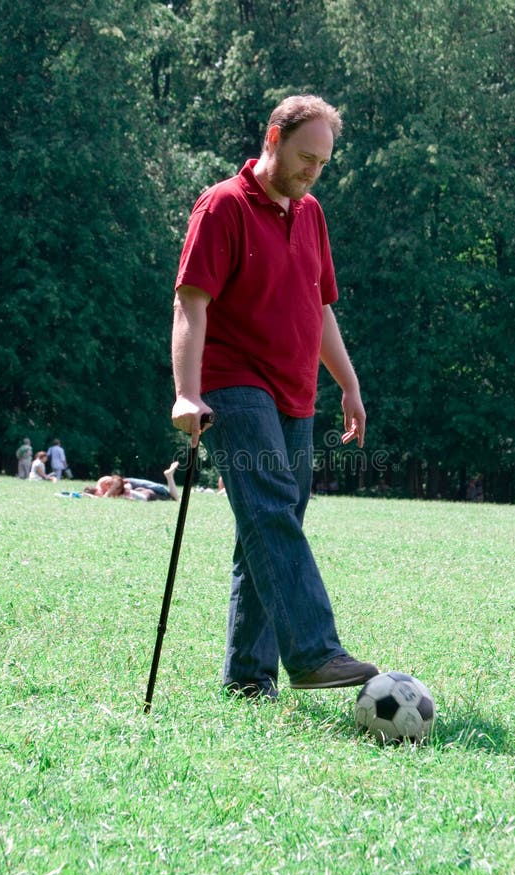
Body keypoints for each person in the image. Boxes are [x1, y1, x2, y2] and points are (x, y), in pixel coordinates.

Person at [171, 94, 379, 698]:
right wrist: (186, 393)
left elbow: (320, 309)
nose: (312, 172)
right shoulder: (223, 206)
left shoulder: (310, 215)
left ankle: (246, 679)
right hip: (233, 383)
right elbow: (190, 301)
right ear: (273, 138)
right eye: (305, 157)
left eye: (322, 163)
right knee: (268, 509)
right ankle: (315, 652)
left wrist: (349, 384)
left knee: (266, 525)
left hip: (296, 394)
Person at [83, 461, 180, 501]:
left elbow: (118, 482)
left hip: (129, 482)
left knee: (163, 491)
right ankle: (169, 477)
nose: (100, 495)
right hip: (133, 488)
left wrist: (107, 494)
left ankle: (169, 477)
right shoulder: (104, 492)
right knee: (169, 497)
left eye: (98, 494)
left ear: (96, 490)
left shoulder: (102, 482)